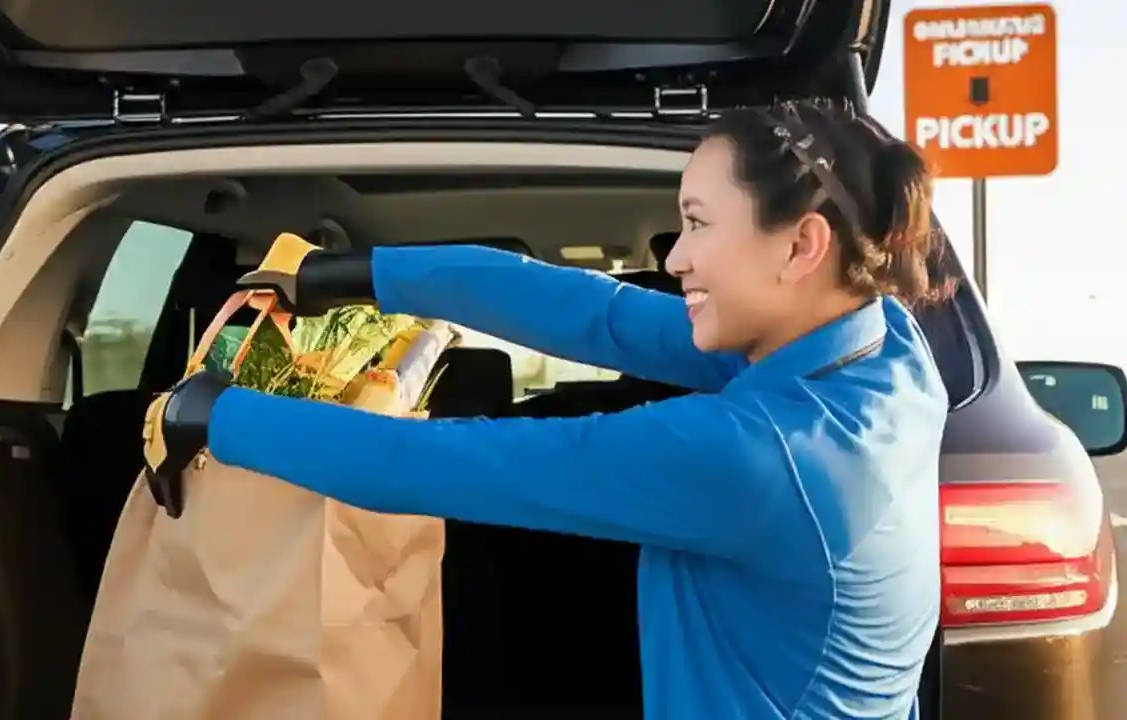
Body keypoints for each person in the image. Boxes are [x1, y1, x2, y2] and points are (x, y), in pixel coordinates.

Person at [144, 99, 954, 720]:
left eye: (698, 225)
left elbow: (438, 464)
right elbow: (587, 310)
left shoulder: (766, 456)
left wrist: (216, 415)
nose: (674, 260)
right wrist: (340, 276)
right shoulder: (879, 351)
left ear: (801, 246)